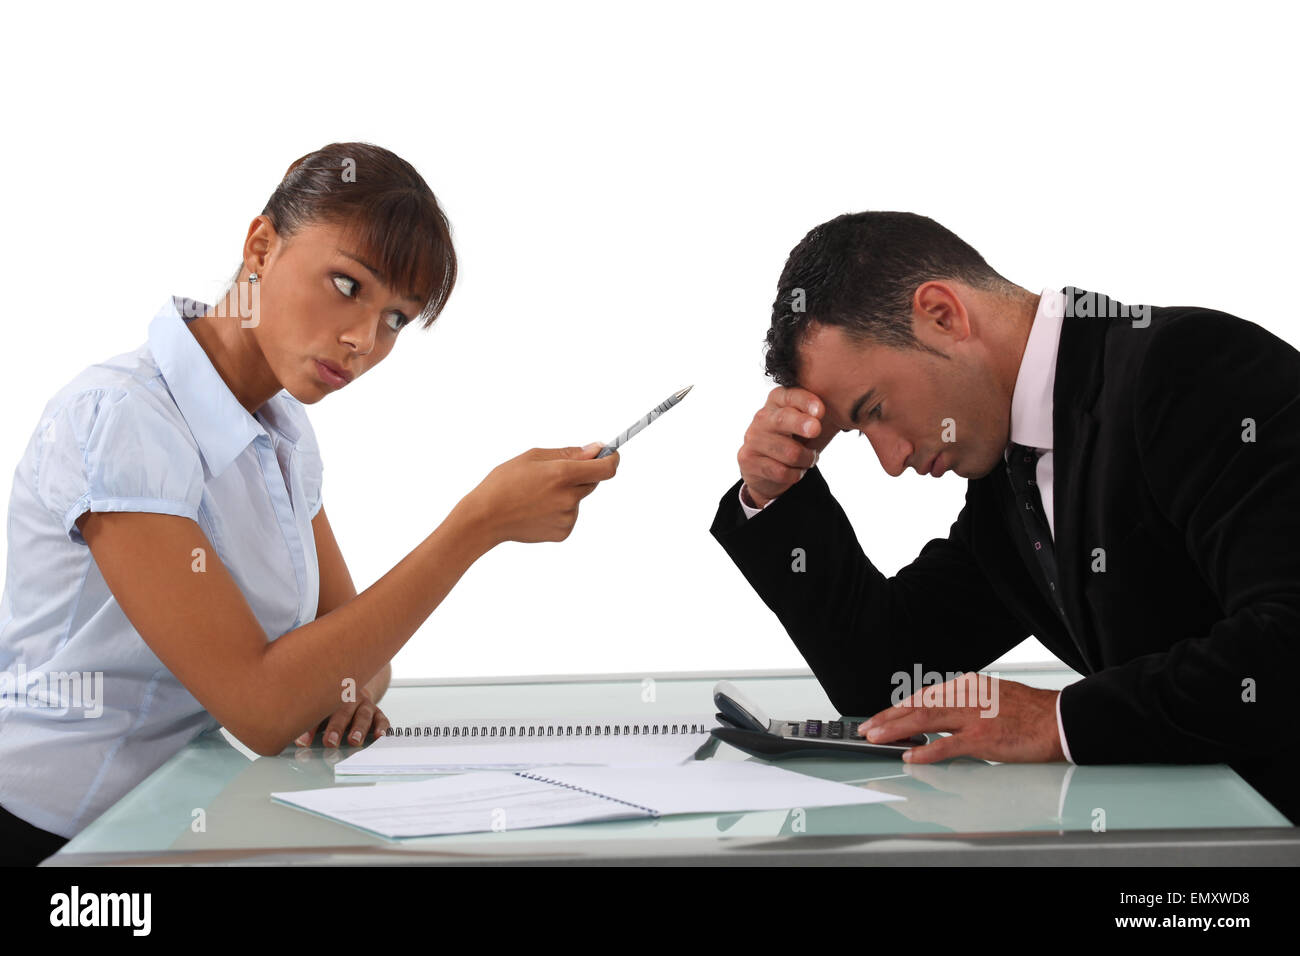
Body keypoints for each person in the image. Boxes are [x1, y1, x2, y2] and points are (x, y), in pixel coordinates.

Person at [0, 142, 619, 865]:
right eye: (348, 285)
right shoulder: (124, 418)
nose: (362, 340)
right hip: (49, 837)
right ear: (262, 245)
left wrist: (331, 683)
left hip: (165, 825)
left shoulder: (282, 430)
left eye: (395, 319)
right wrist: (476, 526)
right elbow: (264, 709)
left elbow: (356, 652)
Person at [709, 211, 1300, 824]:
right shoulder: (1009, 481)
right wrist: (778, 492)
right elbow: (886, 677)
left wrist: (1058, 720)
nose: (891, 460)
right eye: (859, 433)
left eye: (876, 410)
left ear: (942, 315)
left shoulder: (1191, 367)